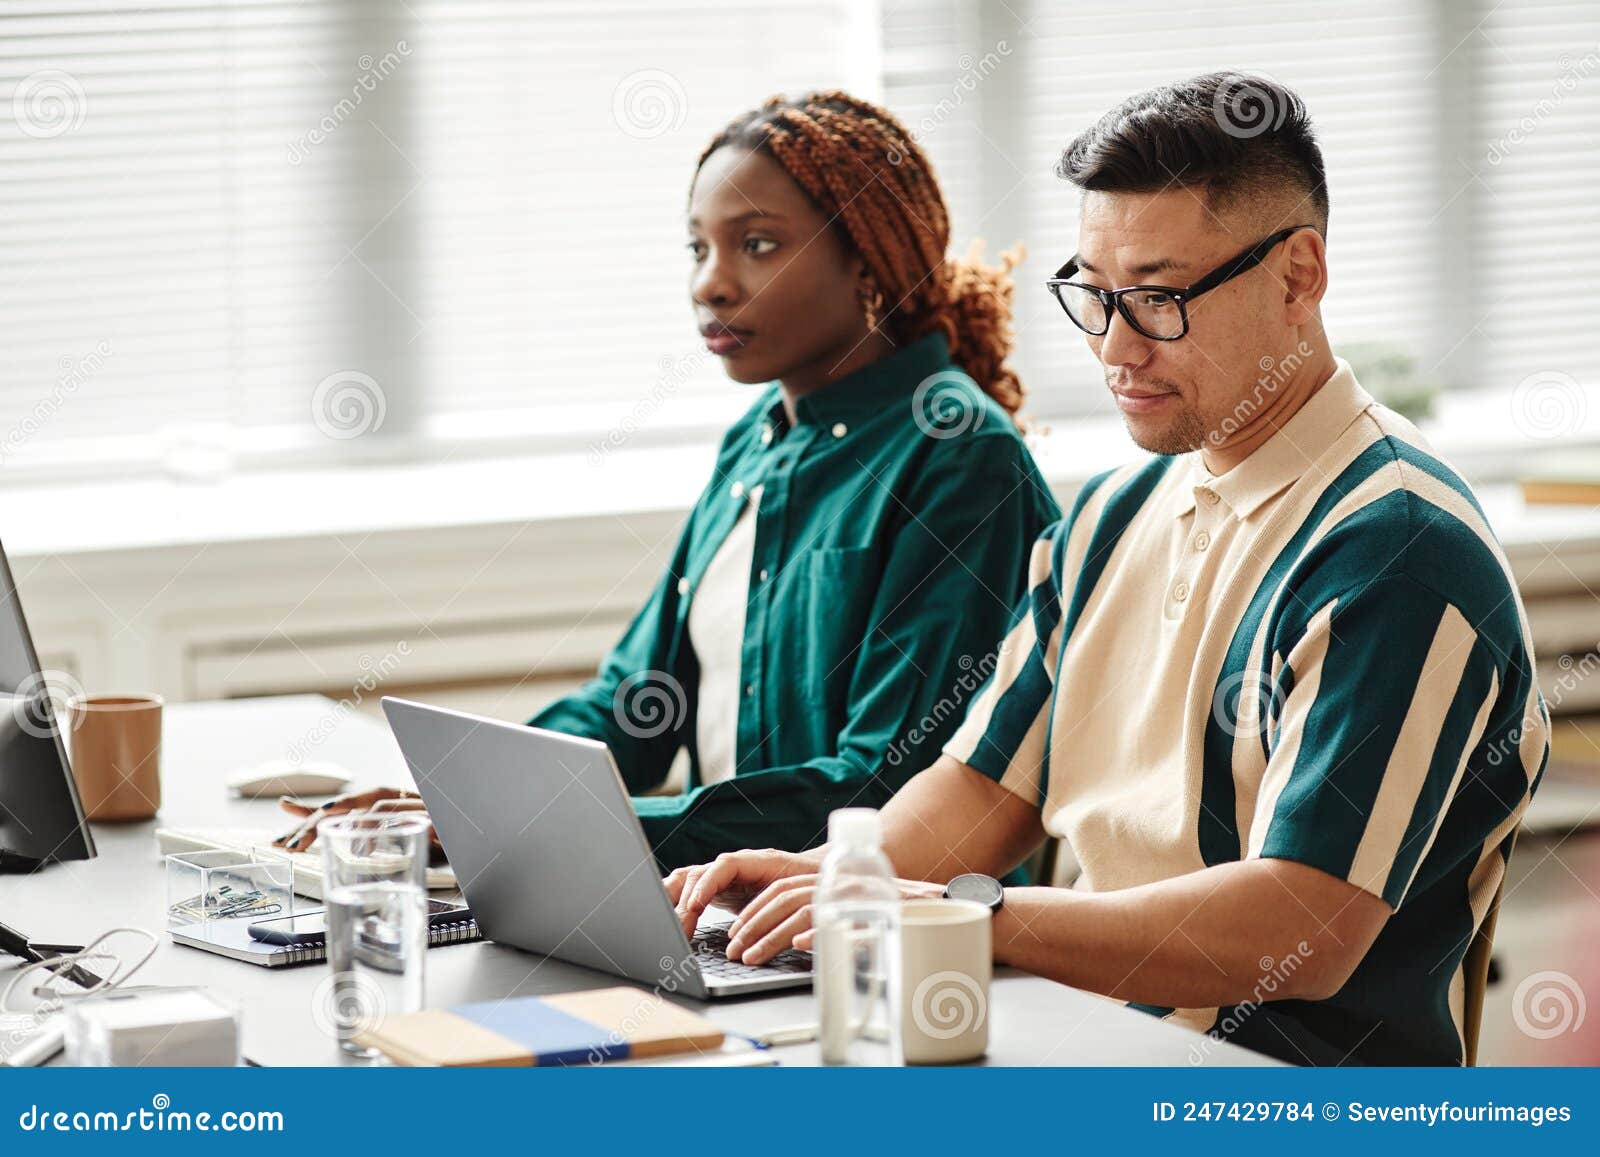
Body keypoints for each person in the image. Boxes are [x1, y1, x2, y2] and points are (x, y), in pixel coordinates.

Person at [666, 73, 1549, 1067]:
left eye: (1159, 298)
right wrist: (833, 874)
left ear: (1298, 275)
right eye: (1092, 292)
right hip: (1081, 1042)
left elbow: (1292, 925)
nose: (1115, 347)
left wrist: (970, 918)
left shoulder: (1397, 550)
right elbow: (985, 790)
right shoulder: (1110, 515)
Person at [278, 92, 1060, 870]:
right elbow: (639, 707)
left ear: (868, 257)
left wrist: (546, 824)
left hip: (883, 934)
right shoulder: (755, 441)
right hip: (731, 913)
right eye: (697, 248)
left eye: (756, 244)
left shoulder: (959, 456)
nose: (710, 284)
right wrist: (460, 792)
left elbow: (884, 787)